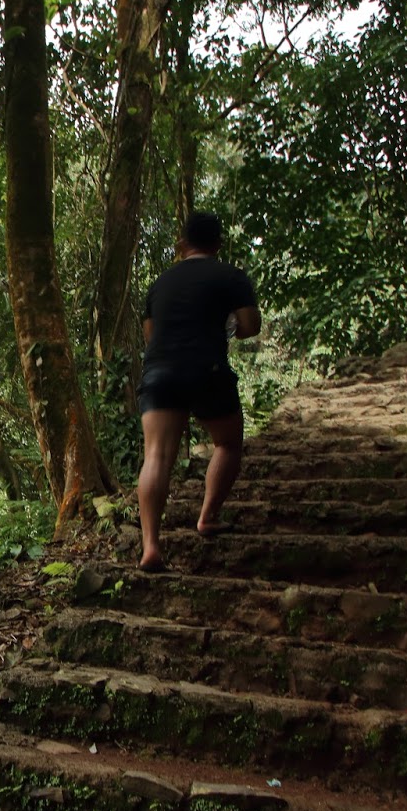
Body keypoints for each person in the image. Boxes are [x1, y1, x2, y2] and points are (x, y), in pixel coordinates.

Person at [136, 211, 261, 571]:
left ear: (182, 244)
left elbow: (150, 334)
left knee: (156, 456)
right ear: (218, 244)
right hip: (207, 369)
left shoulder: (161, 282)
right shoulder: (231, 276)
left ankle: (150, 547)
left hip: (160, 371)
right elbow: (250, 326)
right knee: (228, 443)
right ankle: (207, 516)